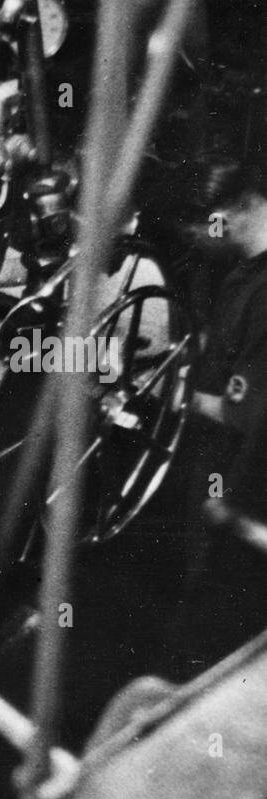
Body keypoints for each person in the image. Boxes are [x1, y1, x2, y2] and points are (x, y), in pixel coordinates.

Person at [172, 157, 267, 674]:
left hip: (233, 472)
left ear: (247, 207)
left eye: (219, 219)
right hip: (216, 464)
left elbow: (247, 412)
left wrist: (182, 397)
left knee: (209, 592)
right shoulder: (244, 273)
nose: (214, 231)